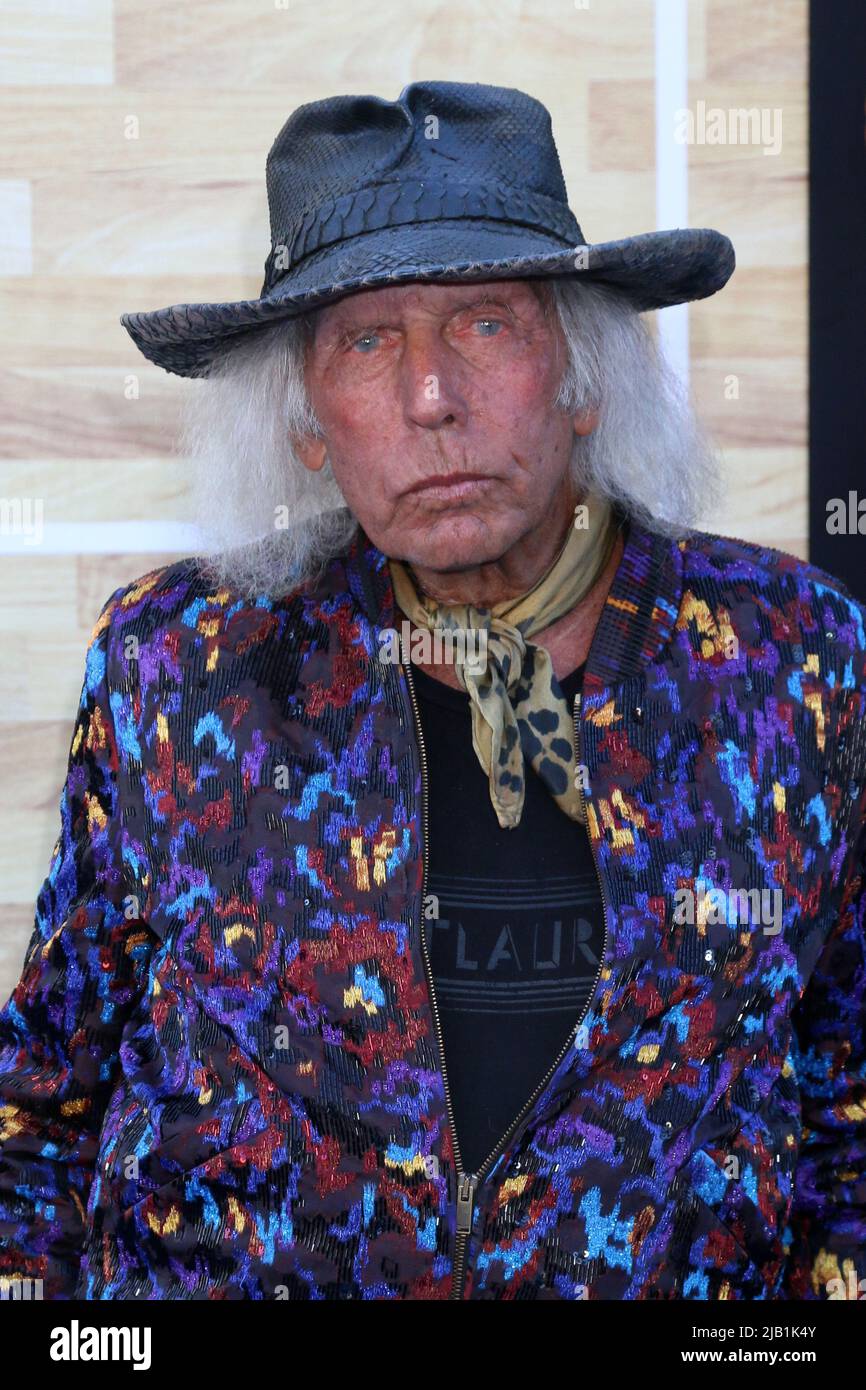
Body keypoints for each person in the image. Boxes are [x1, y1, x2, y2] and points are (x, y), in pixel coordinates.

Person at [1, 80, 863, 1302]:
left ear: (583, 374)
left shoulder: (794, 663)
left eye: (484, 323)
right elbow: (42, 1112)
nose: (429, 396)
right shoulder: (175, 665)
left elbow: (847, 1111)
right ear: (308, 422)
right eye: (366, 340)